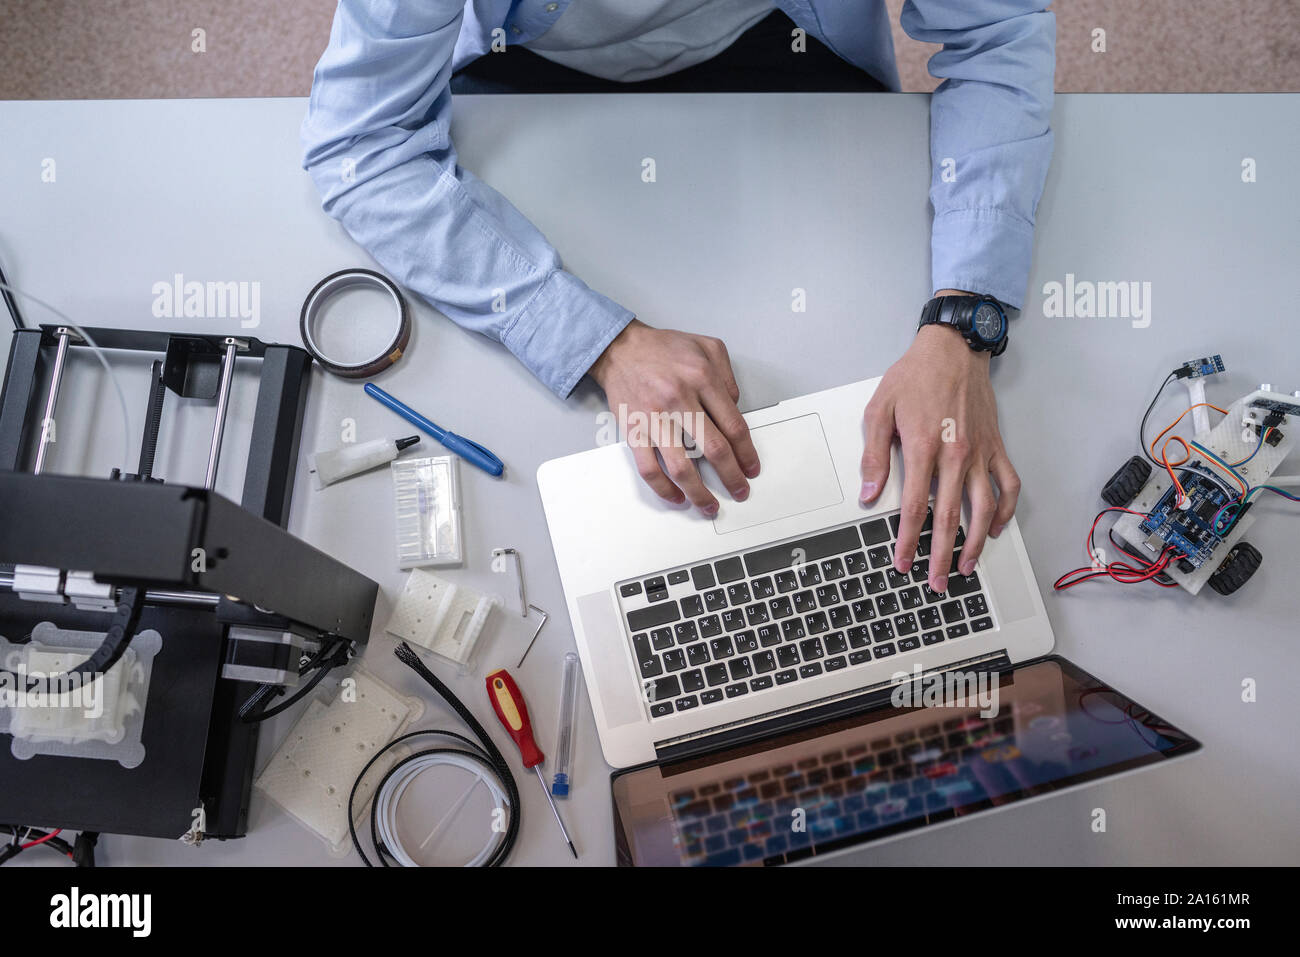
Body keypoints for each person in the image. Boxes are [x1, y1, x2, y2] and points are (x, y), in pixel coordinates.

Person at [301, 0, 1054, 595]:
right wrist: (597, 338)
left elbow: (999, 35)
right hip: (526, 62)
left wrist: (963, 317)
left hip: (782, 40)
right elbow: (361, 146)